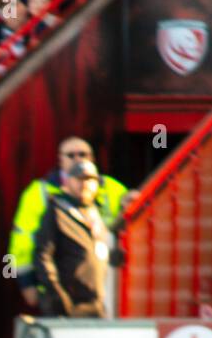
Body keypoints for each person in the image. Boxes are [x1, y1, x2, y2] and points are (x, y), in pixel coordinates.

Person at [7, 136, 126, 296]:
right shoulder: (38, 193)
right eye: (70, 155)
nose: (77, 159)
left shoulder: (113, 188)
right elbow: (23, 241)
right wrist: (27, 282)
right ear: (60, 159)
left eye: (83, 154)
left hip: (105, 286)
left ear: (92, 158)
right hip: (58, 288)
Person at [31, 159, 110, 317]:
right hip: (67, 306)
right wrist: (57, 294)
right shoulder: (57, 210)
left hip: (96, 305)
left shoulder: (97, 212)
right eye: (79, 179)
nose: (85, 184)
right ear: (68, 181)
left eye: (90, 179)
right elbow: (42, 255)